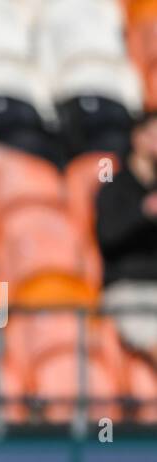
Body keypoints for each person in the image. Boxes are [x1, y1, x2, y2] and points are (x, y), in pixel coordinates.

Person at [96, 110, 157, 366]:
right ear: (138, 138)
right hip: (130, 289)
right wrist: (144, 212)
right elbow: (108, 236)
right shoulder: (115, 185)